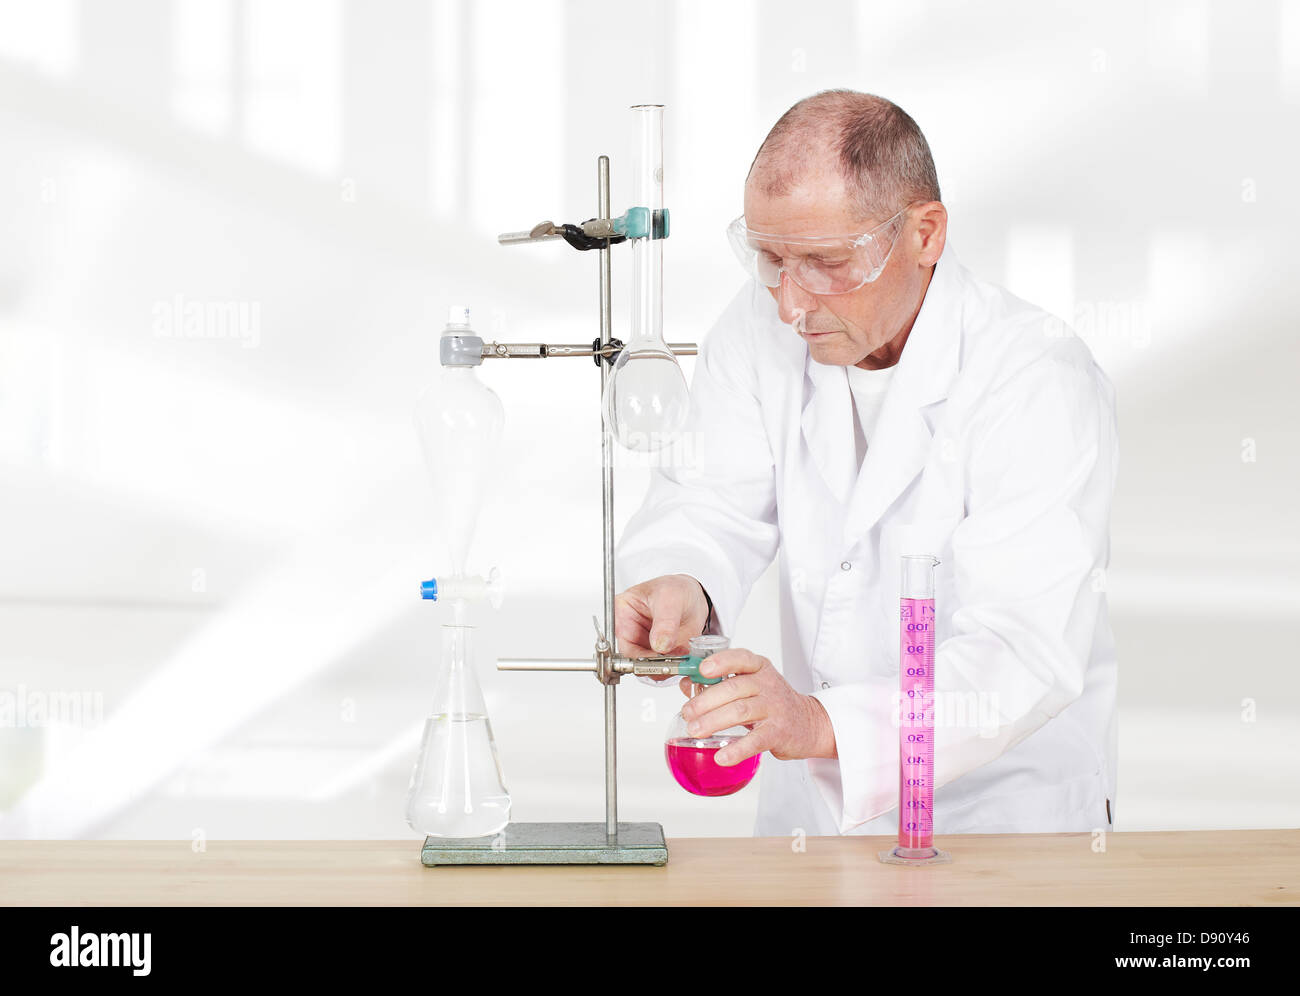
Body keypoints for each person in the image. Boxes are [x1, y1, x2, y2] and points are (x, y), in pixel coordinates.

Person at [613, 89, 1119, 836]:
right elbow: (709, 499)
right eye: (769, 259)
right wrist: (683, 581)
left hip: (1002, 818)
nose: (790, 303)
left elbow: (1021, 652)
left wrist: (818, 724)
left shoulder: (1036, 378)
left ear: (924, 233)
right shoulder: (762, 328)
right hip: (814, 819)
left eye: (823, 262)